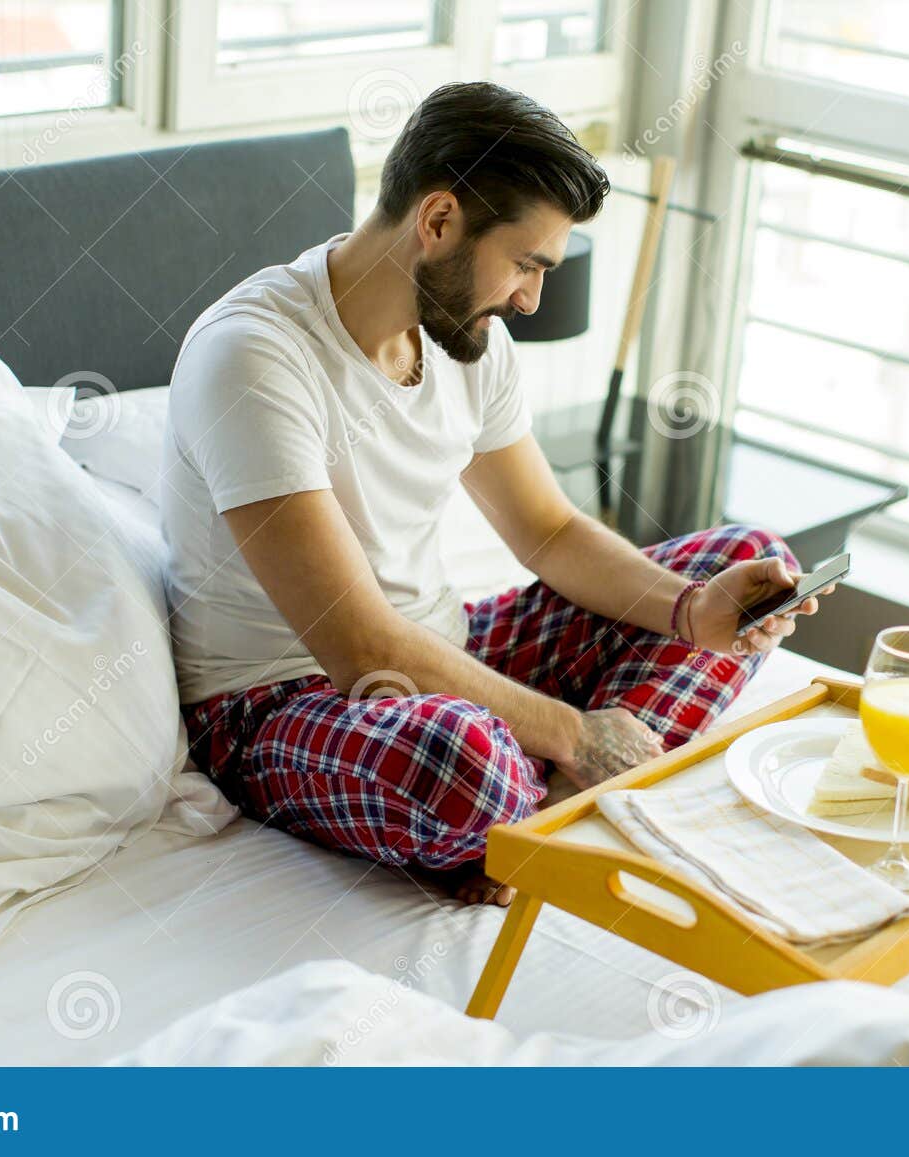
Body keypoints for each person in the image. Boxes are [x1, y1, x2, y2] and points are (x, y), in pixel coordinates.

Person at [160, 81, 830, 905]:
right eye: (525, 263)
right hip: (277, 703)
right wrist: (577, 734)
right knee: (466, 763)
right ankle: (547, 788)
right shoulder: (254, 357)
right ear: (438, 221)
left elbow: (547, 531)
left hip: (446, 643)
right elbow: (363, 647)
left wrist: (693, 609)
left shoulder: (467, 340)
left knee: (744, 558)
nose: (530, 297)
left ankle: (543, 805)